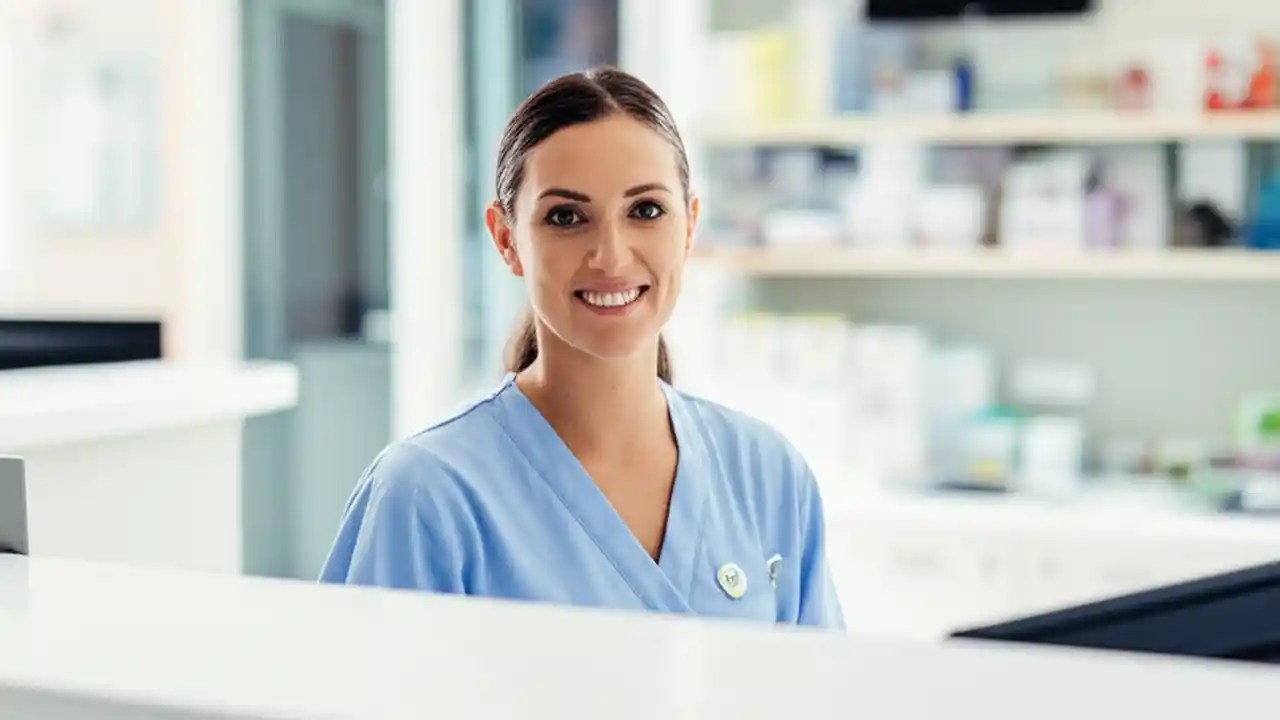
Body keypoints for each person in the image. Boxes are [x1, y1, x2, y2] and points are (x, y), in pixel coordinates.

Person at [319, 67, 843, 628]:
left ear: (689, 225)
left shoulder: (766, 474)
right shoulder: (427, 495)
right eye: (566, 217)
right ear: (506, 240)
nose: (612, 256)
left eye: (645, 210)